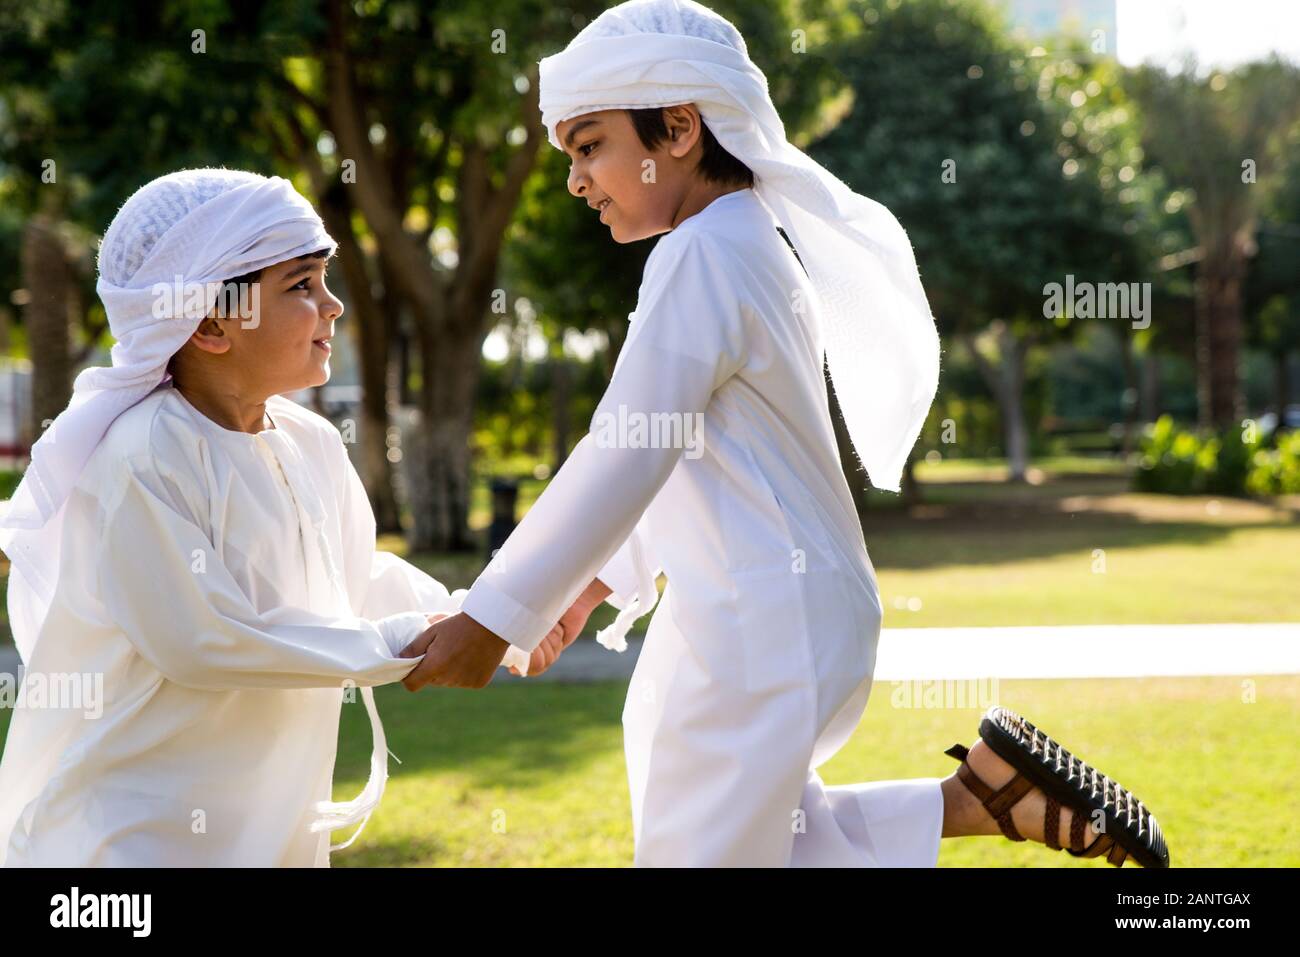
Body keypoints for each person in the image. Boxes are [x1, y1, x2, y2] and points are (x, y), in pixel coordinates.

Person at [400, 0, 1168, 869]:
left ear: (680, 126)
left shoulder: (701, 254)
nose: (576, 179)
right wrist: (581, 590)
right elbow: (683, 449)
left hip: (756, 621)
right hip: (773, 612)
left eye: (588, 146)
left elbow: (627, 445)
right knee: (784, 840)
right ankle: (991, 795)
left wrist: (496, 612)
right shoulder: (744, 243)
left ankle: (994, 797)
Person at [0, 169, 526, 866]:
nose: (333, 306)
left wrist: (480, 617)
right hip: (131, 843)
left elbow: (350, 578)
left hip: (268, 836)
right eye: (301, 285)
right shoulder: (143, 456)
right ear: (213, 323)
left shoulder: (310, 444)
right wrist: (400, 643)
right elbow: (208, 637)